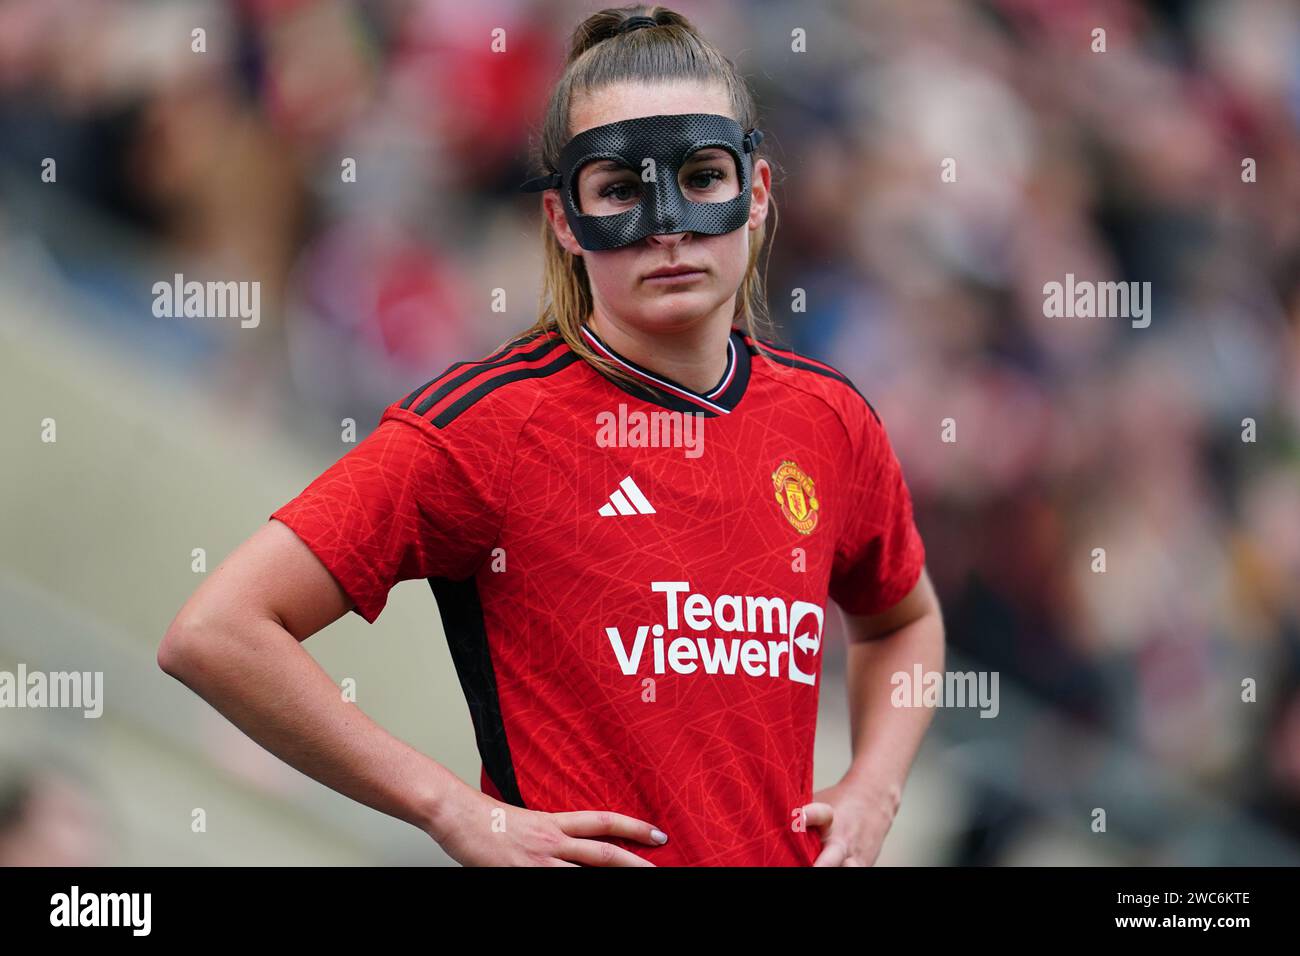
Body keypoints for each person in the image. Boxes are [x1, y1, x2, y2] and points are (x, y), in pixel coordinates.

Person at [158, 4, 945, 867]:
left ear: (756, 193)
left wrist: (876, 785)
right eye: (618, 190)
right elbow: (218, 631)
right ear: (565, 220)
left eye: (703, 176)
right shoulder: (489, 425)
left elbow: (901, 619)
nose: (668, 224)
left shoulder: (829, 421)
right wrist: (448, 808)